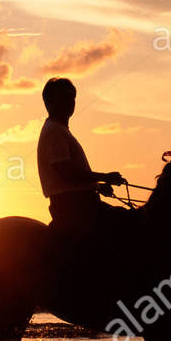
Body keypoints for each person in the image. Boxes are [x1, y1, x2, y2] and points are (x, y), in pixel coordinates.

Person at [36, 77, 125, 238]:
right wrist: (106, 177)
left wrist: (97, 186)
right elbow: (67, 174)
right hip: (75, 207)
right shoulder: (54, 131)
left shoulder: (59, 130)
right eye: (64, 96)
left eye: (72, 97)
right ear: (50, 101)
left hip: (81, 204)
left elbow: (69, 177)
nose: (70, 101)